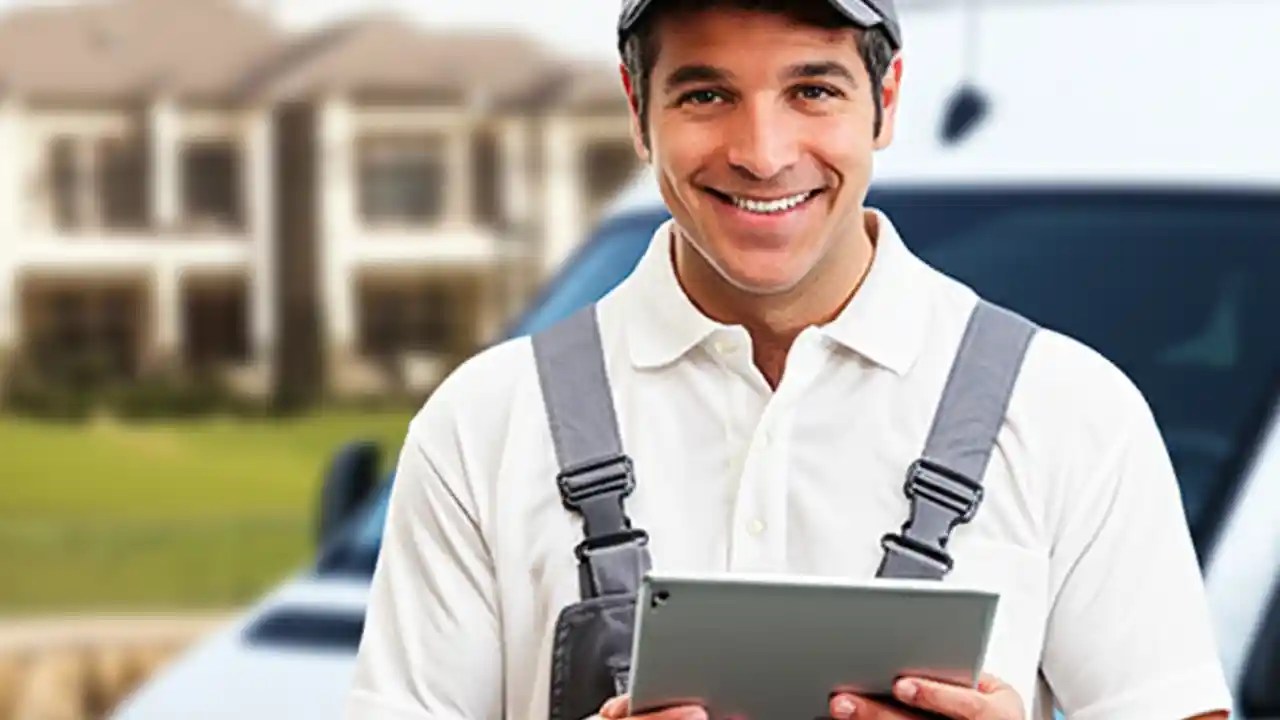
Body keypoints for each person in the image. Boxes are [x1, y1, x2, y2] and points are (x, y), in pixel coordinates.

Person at [345, 0, 1233, 718]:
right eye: (705, 95)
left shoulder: (1070, 411)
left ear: (887, 99)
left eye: (812, 91)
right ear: (636, 107)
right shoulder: (486, 424)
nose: (763, 155)